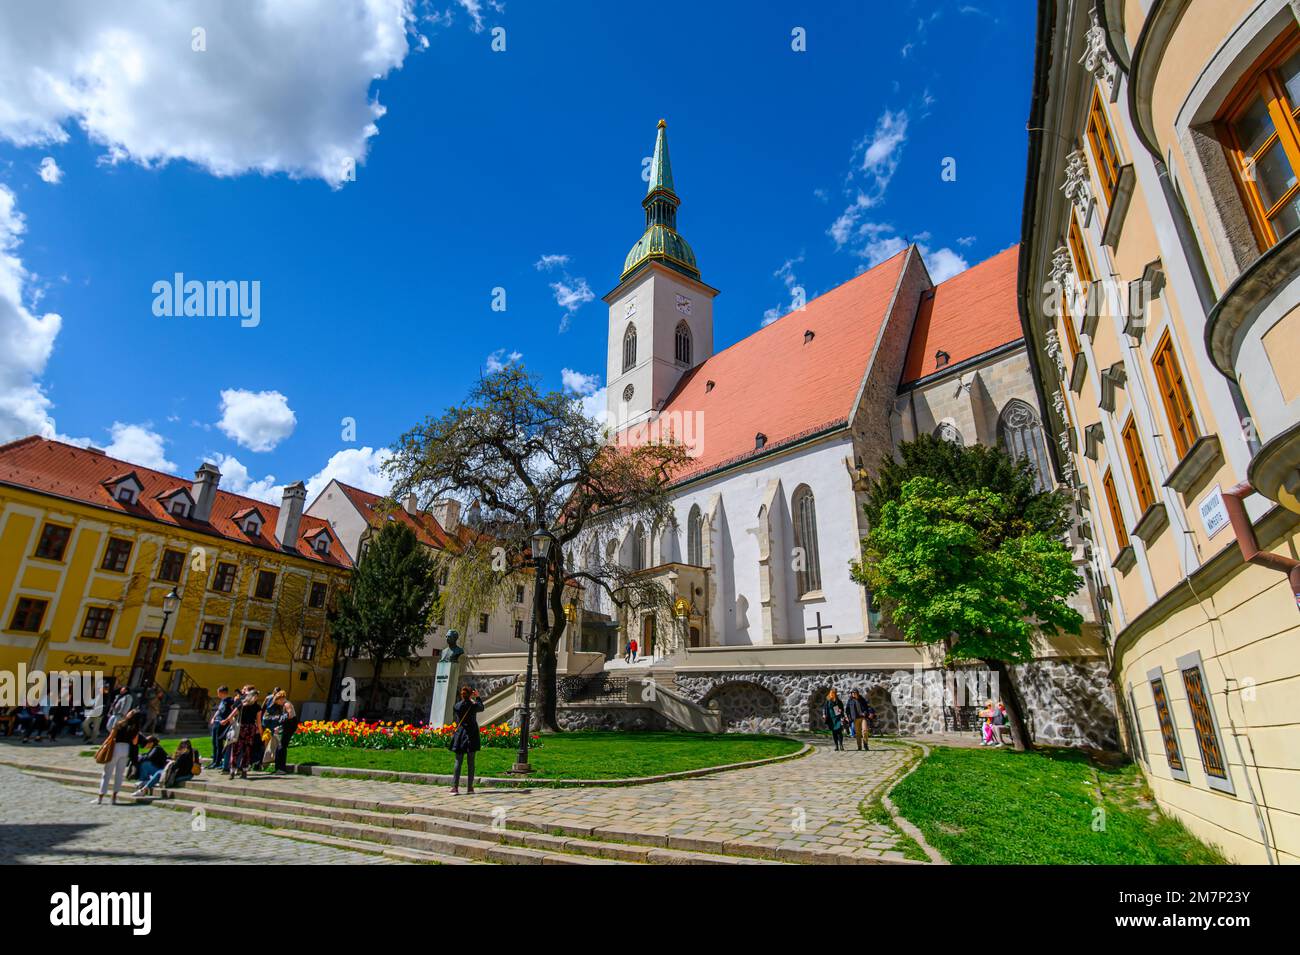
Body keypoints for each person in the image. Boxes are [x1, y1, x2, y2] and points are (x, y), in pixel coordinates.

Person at [95, 710, 140, 805]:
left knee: (107, 773)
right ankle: (114, 797)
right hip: (126, 749)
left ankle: (100, 797)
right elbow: (135, 742)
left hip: (116, 747)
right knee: (120, 774)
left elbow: (111, 737)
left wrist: (102, 746)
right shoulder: (135, 727)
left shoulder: (119, 723)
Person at [449, 686, 484, 795]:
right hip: (471, 735)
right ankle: (470, 787)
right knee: (471, 762)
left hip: (460, 734)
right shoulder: (473, 706)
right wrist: (477, 697)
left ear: (462, 694)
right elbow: (481, 707)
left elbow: (460, 707)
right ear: (471, 694)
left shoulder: (457, 706)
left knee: (458, 762)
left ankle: (455, 787)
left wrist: (469, 699)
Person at [228, 689, 262, 779]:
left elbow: (230, 717)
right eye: (256, 696)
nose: (256, 698)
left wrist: (234, 724)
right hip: (250, 729)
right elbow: (259, 723)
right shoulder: (257, 707)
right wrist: (261, 733)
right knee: (246, 750)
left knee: (238, 749)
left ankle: (233, 771)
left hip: (241, 728)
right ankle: (243, 771)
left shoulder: (242, 705)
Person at [266, 691, 297, 775]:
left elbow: (290, 715)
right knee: (280, 746)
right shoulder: (283, 705)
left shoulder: (287, 704)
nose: (277, 702)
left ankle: (281, 768)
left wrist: (280, 718)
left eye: (277, 700)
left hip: (289, 726)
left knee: (282, 746)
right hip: (286, 725)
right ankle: (279, 768)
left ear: (281, 699)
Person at [209, 686, 235, 770]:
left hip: (222, 723)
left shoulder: (230, 701)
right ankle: (214, 761)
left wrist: (227, 721)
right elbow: (219, 710)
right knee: (214, 742)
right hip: (216, 722)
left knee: (218, 743)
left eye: (218, 692)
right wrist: (213, 718)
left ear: (222, 692)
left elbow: (233, 712)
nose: (217, 694)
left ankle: (218, 761)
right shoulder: (222, 701)